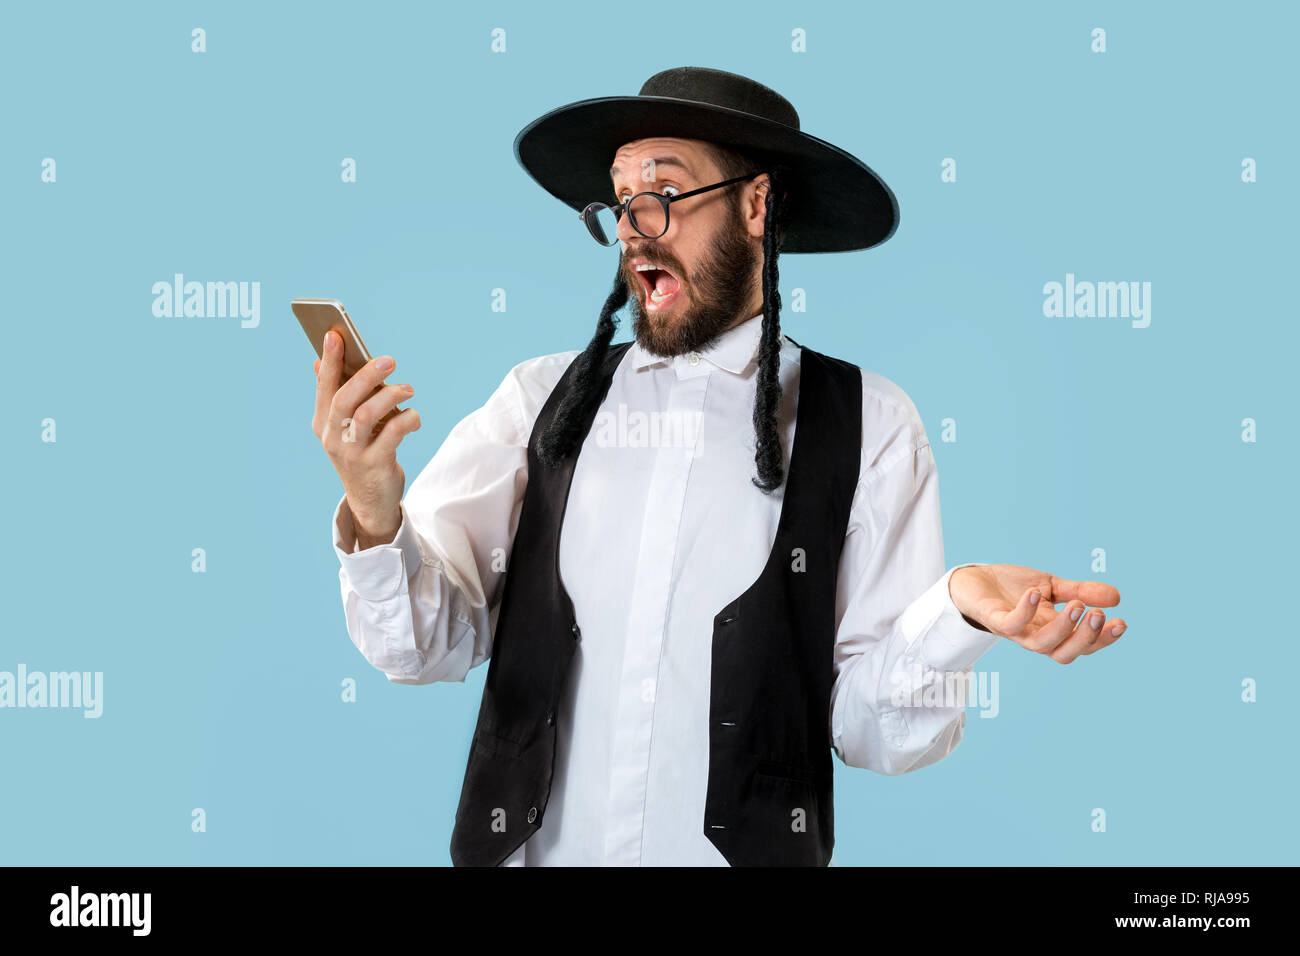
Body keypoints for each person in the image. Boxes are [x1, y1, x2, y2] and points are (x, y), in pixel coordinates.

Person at [311, 67, 1128, 866]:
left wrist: (955, 614)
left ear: (756, 205)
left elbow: (874, 735)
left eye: (664, 193)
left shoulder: (870, 424)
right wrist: (376, 515)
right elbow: (421, 649)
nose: (634, 228)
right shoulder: (537, 402)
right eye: (620, 201)